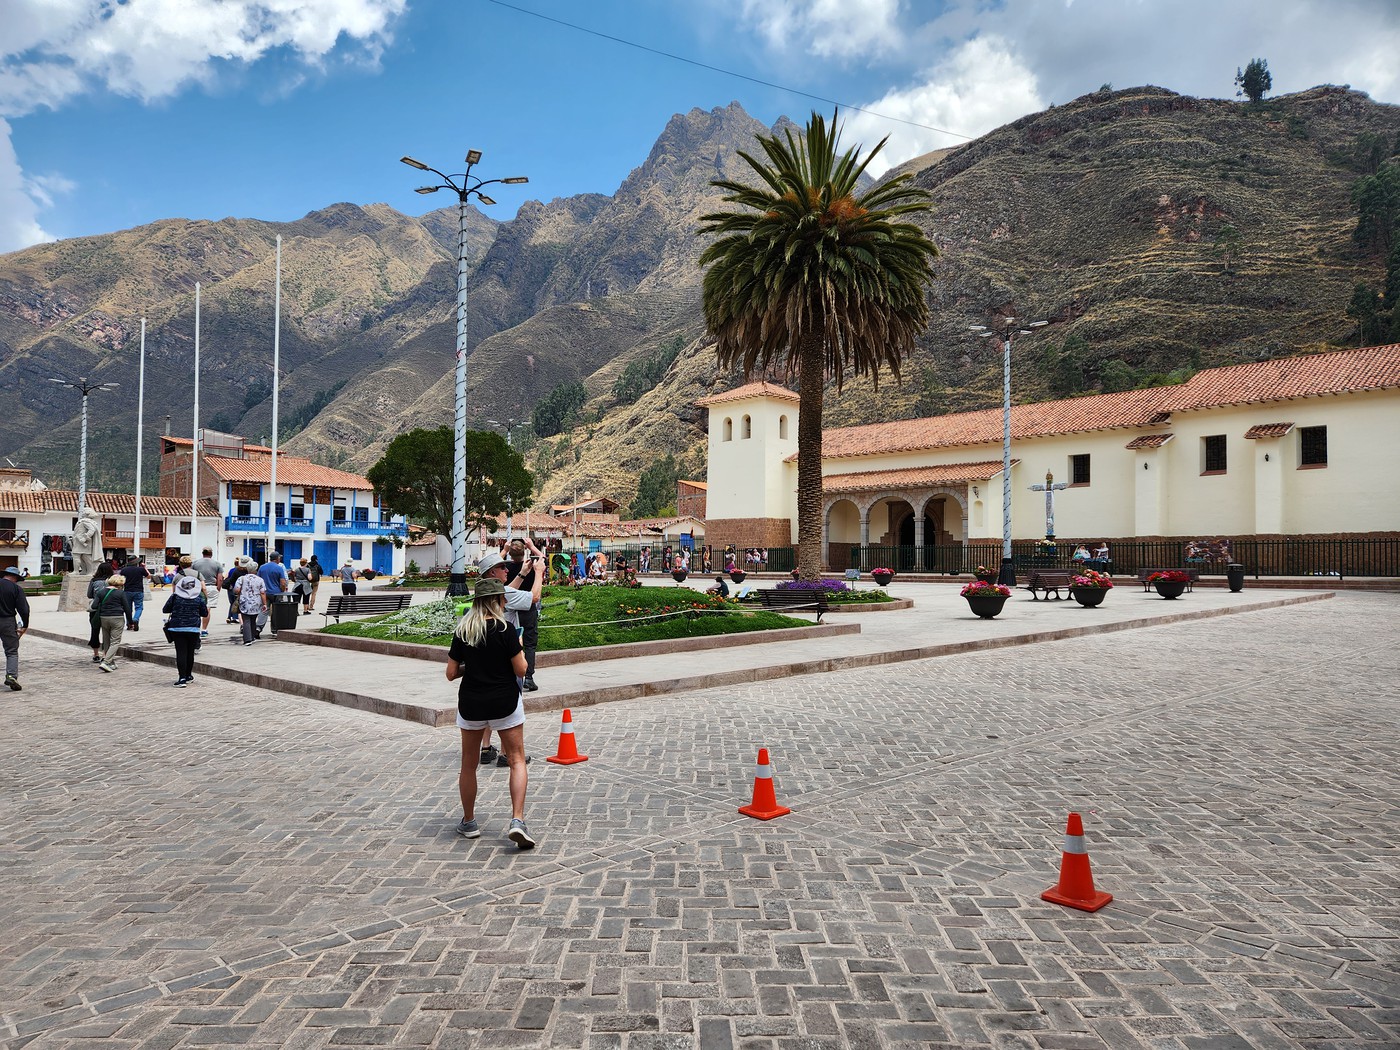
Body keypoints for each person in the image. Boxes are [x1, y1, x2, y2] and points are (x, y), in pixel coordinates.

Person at [446, 577, 534, 849]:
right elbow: (521, 669)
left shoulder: (463, 631)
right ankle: (517, 820)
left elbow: (451, 673)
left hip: (472, 703)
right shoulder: (506, 629)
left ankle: (469, 822)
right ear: (498, 600)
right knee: (517, 760)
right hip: (504, 702)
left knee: (468, 764)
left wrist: (471, 668)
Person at [473, 544, 545, 767]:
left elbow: (511, 592)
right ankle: (507, 753)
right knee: (510, 701)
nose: (507, 569)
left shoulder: (487, 593)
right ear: (492, 573)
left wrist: (522, 573)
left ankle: (486, 749)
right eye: (502, 567)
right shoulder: (506, 594)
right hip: (507, 651)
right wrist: (539, 573)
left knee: (486, 701)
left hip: (485, 656)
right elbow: (533, 597)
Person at [162, 574, 209, 687]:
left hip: (177, 628)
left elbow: (165, 609)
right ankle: (188, 675)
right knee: (190, 653)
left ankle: (181, 678)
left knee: (181, 652)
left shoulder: (175, 597)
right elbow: (205, 613)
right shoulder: (199, 598)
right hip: (193, 628)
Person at [92, 572, 132, 672]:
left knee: (106, 641)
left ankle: (111, 662)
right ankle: (106, 661)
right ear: (120, 584)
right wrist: (130, 621)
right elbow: (127, 608)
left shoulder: (101, 592)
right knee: (115, 641)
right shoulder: (121, 593)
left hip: (104, 618)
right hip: (117, 618)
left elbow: (94, 606)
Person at [0, 564, 30, 690]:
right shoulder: (16, 589)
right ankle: (11, 676)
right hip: (7, 621)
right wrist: (25, 625)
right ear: (15, 578)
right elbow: (24, 609)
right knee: (11, 651)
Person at [86, 563, 115, 662]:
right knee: (107, 633)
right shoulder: (113, 581)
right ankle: (105, 654)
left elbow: (89, 594)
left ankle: (96, 654)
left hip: (96, 608)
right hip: (109, 608)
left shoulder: (94, 580)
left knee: (95, 630)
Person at [234, 562, 268, 645]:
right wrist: (264, 604)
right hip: (256, 602)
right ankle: (252, 637)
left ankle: (247, 639)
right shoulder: (260, 580)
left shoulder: (241, 578)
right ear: (256, 569)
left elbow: (237, 590)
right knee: (253, 619)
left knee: (246, 620)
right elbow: (262, 592)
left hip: (244, 602)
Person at [119, 555, 151, 631]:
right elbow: (149, 576)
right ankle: (135, 619)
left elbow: (121, 580)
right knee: (139, 607)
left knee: (128, 608)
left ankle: (129, 624)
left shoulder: (124, 570)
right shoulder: (140, 570)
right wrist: (144, 567)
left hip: (127, 591)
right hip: (138, 590)